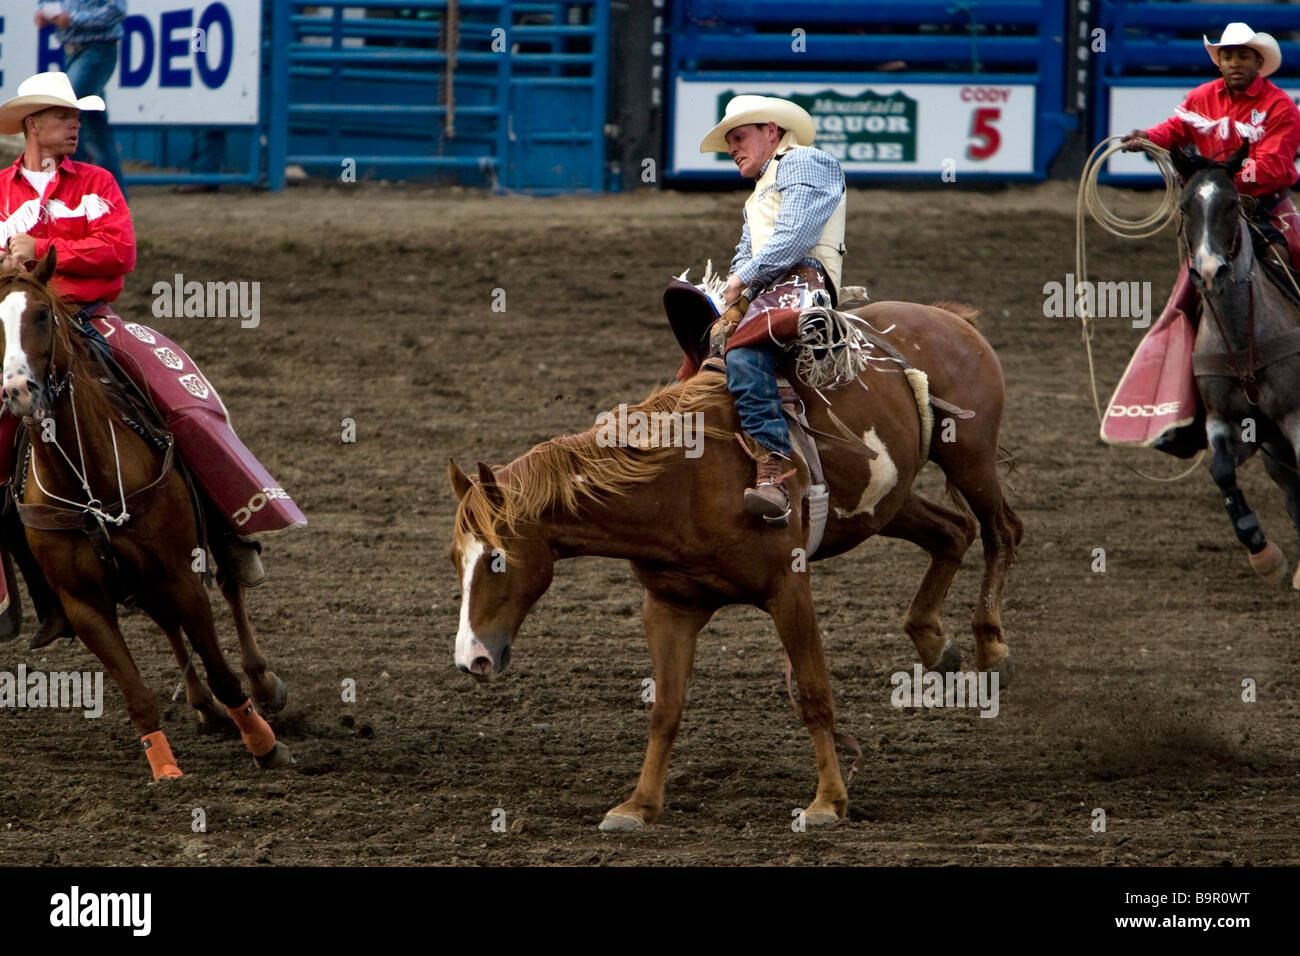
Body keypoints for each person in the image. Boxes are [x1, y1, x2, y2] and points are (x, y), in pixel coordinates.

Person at [0, 71, 305, 648]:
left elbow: (121, 253)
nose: (76, 124)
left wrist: (45, 251)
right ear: (32, 125)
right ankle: (37, 596)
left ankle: (230, 532)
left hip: (90, 321)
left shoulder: (98, 182)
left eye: (77, 116)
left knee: (180, 401)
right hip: (19, 332)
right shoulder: (0, 190)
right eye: (64, 116)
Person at [700, 95, 846, 525]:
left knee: (744, 355)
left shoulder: (805, 161)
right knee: (702, 356)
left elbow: (796, 234)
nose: (733, 148)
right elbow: (748, 251)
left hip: (803, 282)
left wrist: (742, 283)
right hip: (771, 286)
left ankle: (775, 472)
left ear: (772, 131)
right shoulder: (760, 191)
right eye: (729, 142)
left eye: (739, 137)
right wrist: (736, 295)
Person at [36, 0, 128, 194]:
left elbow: (116, 10)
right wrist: (43, 12)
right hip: (72, 50)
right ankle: (114, 199)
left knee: (66, 112)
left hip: (97, 48)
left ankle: (72, 193)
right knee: (95, 127)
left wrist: (74, 19)